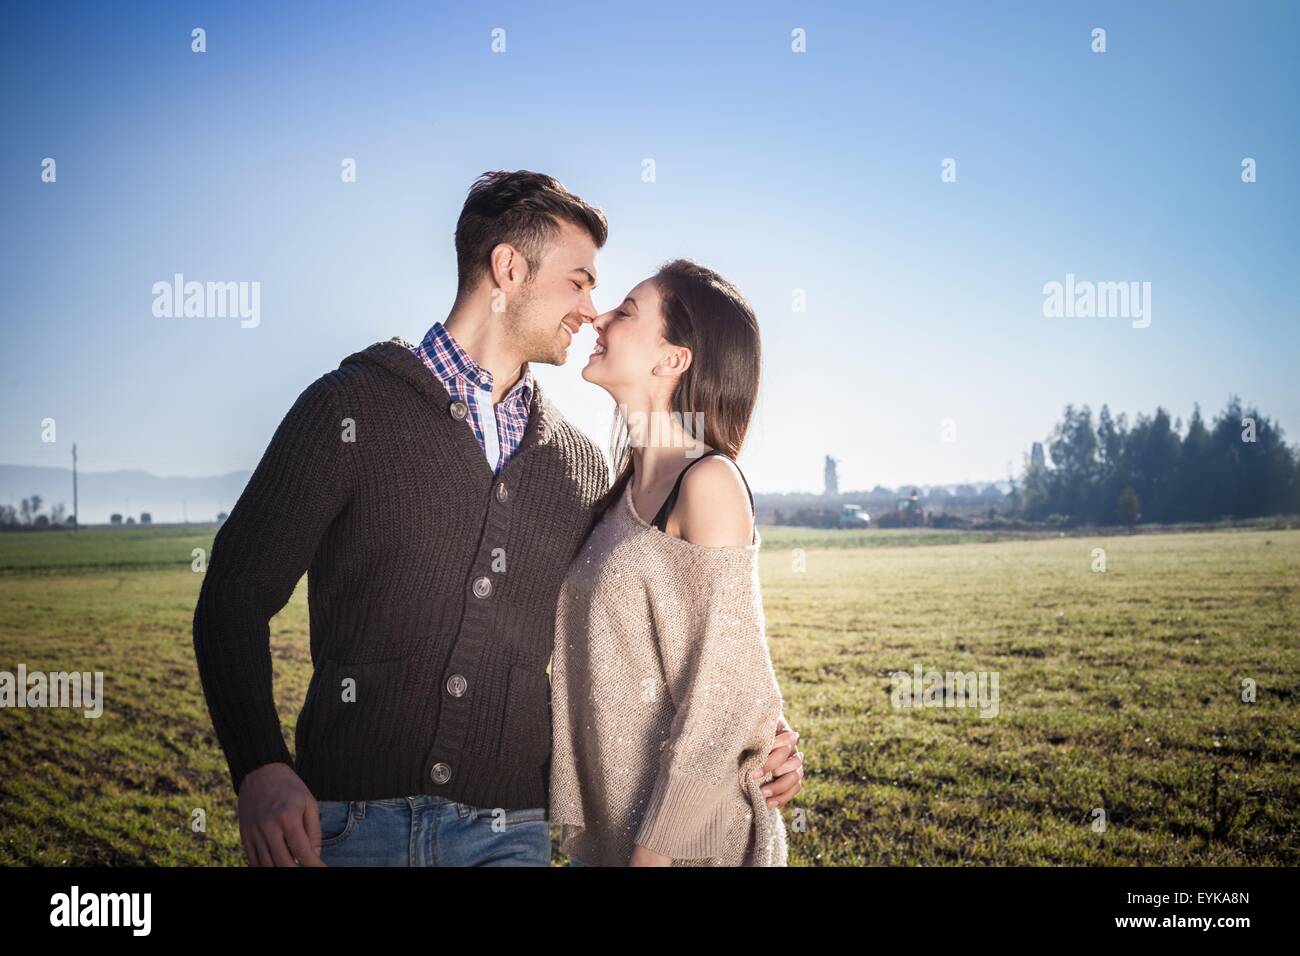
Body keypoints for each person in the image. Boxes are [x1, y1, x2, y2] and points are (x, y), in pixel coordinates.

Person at [192, 171, 804, 866]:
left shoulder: (580, 470)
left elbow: (662, 627)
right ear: (509, 268)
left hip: (507, 833)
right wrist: (260, 766)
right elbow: (232, 598)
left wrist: (761, 740)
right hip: (346, 828)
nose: (591, 309)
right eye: (579, 282)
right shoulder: (349, 410)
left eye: (607, 297)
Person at [550, 259, 794, 866]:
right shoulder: (622, 492)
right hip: (614, 842)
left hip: (684, 850)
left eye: (626, 312)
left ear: (673, 359)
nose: (598, 318)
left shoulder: (708, 483)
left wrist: (652, 857)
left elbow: (723, 698)